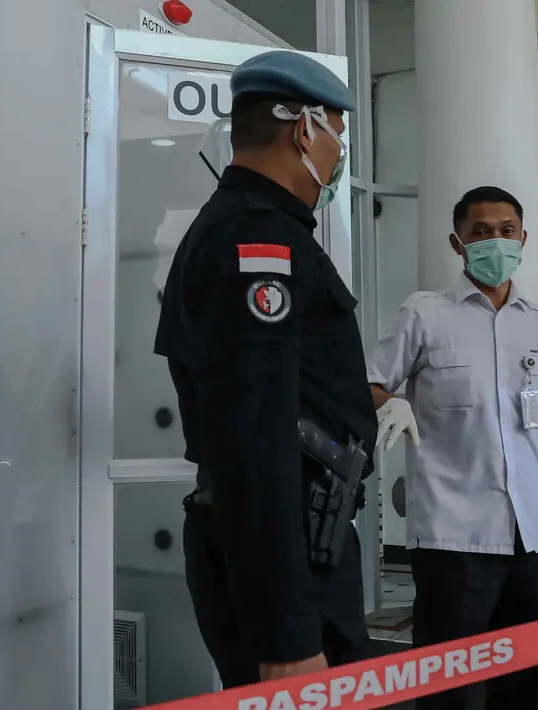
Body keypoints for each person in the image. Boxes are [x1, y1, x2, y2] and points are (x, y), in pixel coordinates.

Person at [153, 50, 377, 687]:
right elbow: (257, 439)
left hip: (289, 542)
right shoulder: (260, 245)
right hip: (285, 561)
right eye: (338, 132)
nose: (338, 152)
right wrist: (288, 631)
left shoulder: (250, 229)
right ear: (304, 127)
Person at [367, 186, 538, 710]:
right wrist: (387, 403)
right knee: (451, 692)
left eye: (506, 231)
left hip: (527, 539)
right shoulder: (425, 316)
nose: (495, 241)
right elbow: (371, 382)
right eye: (480, 232)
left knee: (532, 684)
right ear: (457, 242)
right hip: (451, 536)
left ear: (523, 238)